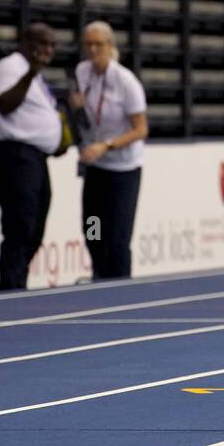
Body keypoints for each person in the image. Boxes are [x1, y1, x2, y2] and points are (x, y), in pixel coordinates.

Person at [70, 22, 148, 280]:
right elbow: (86, 116)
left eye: (98, 44)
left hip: (123, 168)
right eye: (88, 44)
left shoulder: (126, 82)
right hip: (95, 166)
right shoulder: (82, 73)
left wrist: (107, 145)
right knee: (92, 230)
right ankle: (99, 278)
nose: (93, 50)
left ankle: (120, 288)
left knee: (117, 237)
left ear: (110, 46)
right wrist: (77, 107)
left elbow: (140, 130)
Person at [0, 23, 63, 290]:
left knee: (35, 224)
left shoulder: (34, 75)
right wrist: (30, 72)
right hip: (15, 155)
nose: (49, 50)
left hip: (35, 157)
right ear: (28, 43)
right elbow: (5, 104)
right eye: (44, 44)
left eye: (53, 45)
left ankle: (13, 279)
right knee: (19, 223)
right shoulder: (10, 67)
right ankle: (11, 285)